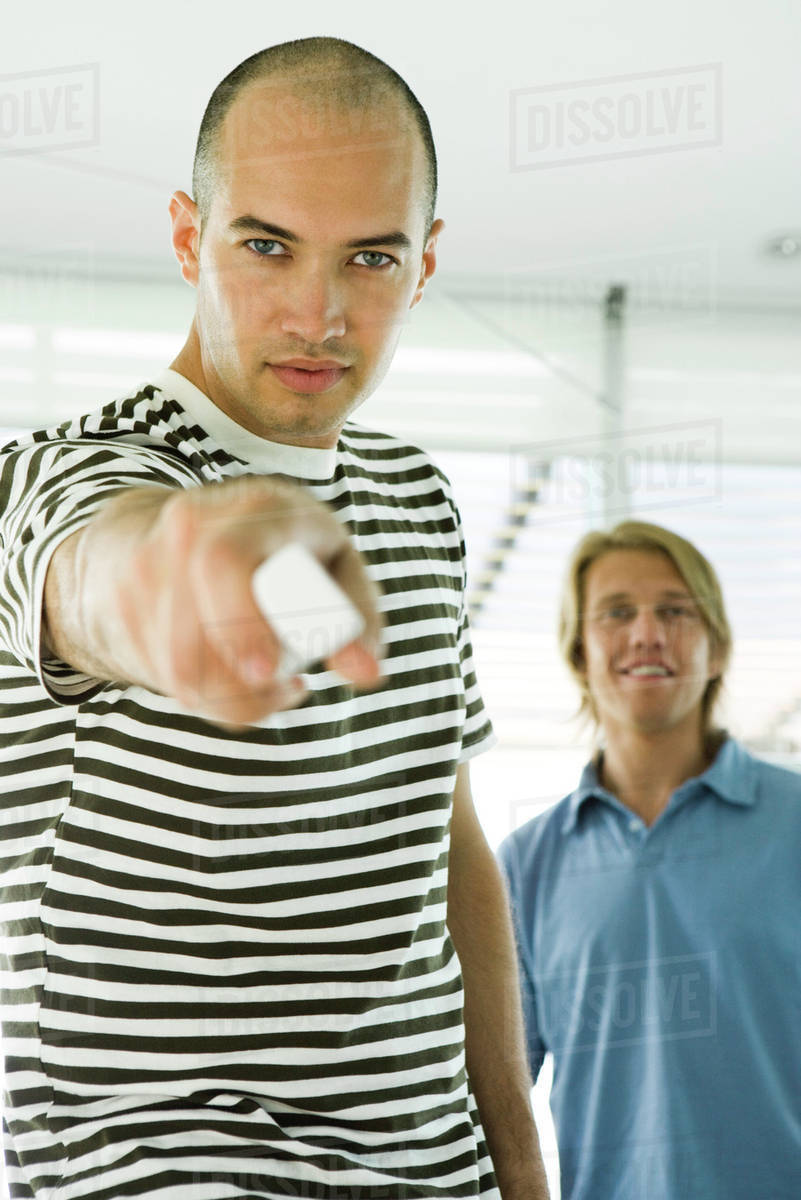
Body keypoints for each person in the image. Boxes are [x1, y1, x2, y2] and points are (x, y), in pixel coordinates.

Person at [0, 36, 548, 1200]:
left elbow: (445, 844)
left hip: (431, 1172)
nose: (318, 312)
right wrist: (172, 577)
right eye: (266, 246)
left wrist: (522, 1161)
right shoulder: (57, 477)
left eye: (369, 259)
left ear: (425, 264)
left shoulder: (419, 502)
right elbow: (99, 567)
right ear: (190, 235)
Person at [497, 519, 801, 1199]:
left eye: (673, 611)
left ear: (716, 648)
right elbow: (493, 1099)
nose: (645, 634)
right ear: (578, 653)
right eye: (615, 613)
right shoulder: (523, 866)